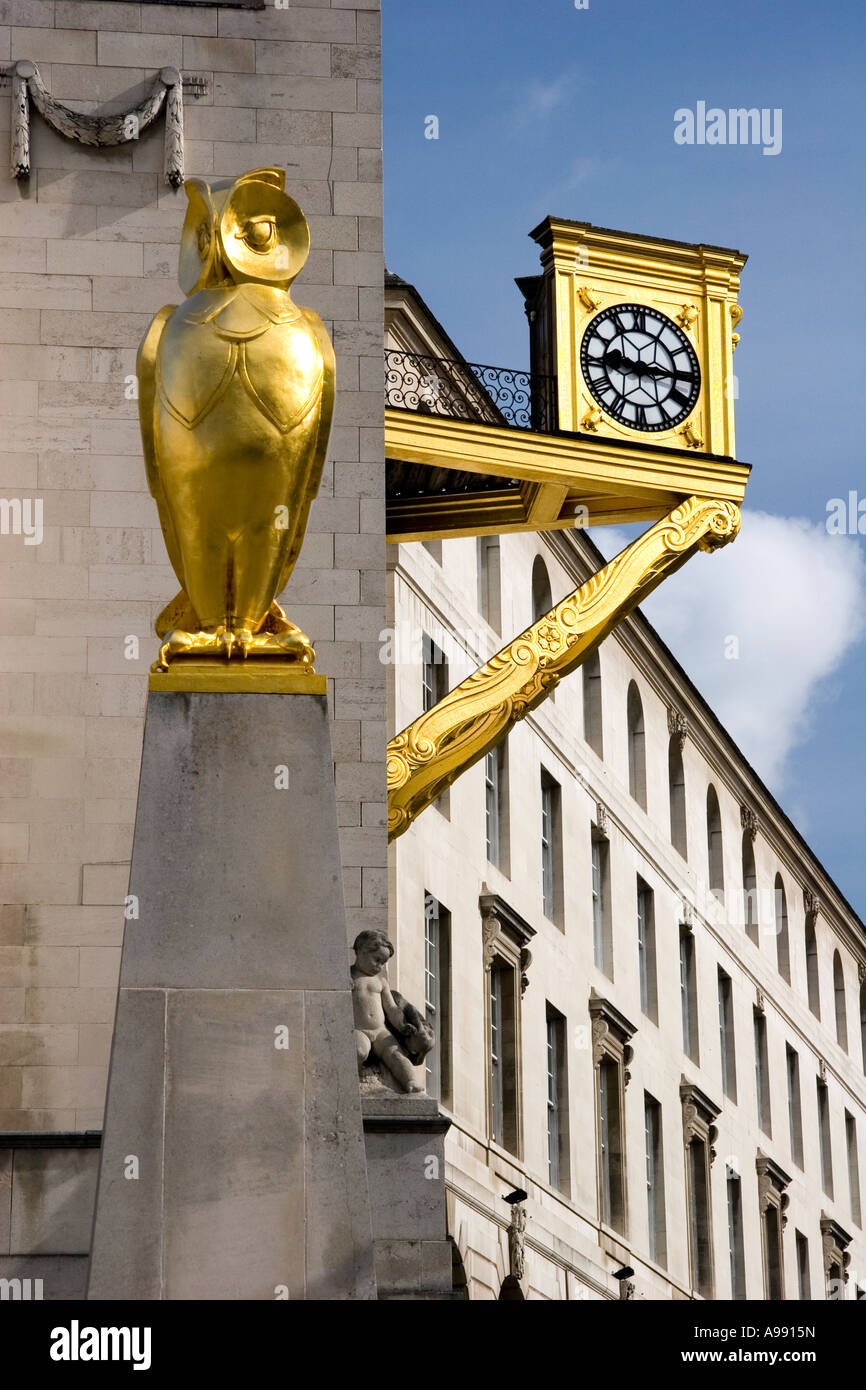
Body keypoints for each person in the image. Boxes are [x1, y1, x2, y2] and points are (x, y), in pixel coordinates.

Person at [351, 930, 424, 1093]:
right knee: (358, 1050)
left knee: (396, 1054)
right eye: (377, 960)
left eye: (383, 963)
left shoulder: (381, 982)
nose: (380, 966)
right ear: (362, 950)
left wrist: (402, 1025)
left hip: (380, 1030)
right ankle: (349, 1079)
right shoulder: (348, 976)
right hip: (358, 1029)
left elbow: (391, 1008)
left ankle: (410, 1081)